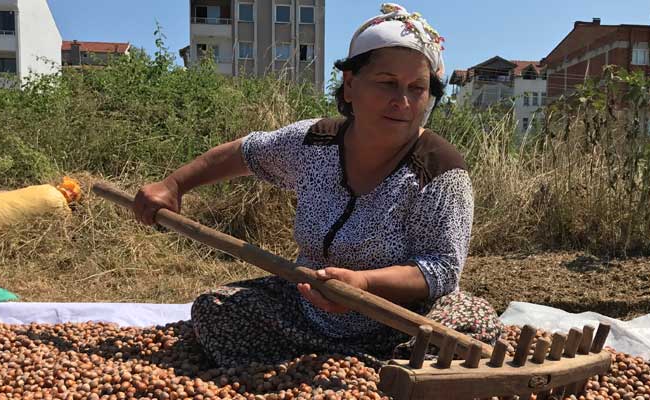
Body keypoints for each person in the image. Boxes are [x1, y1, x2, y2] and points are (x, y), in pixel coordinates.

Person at [132, 3, 503, 368]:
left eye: (417, 88)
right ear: (350, 84)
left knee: (472, 321)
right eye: (387, 83)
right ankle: (368, 369)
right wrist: (174, 184)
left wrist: (365, 285)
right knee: (215, 310)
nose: (402, 101)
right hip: (310, 310)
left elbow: (439, 268)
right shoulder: (314, 143)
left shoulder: (439, 169)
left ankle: (347, 364)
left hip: (398, 321)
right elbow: (243, 153)